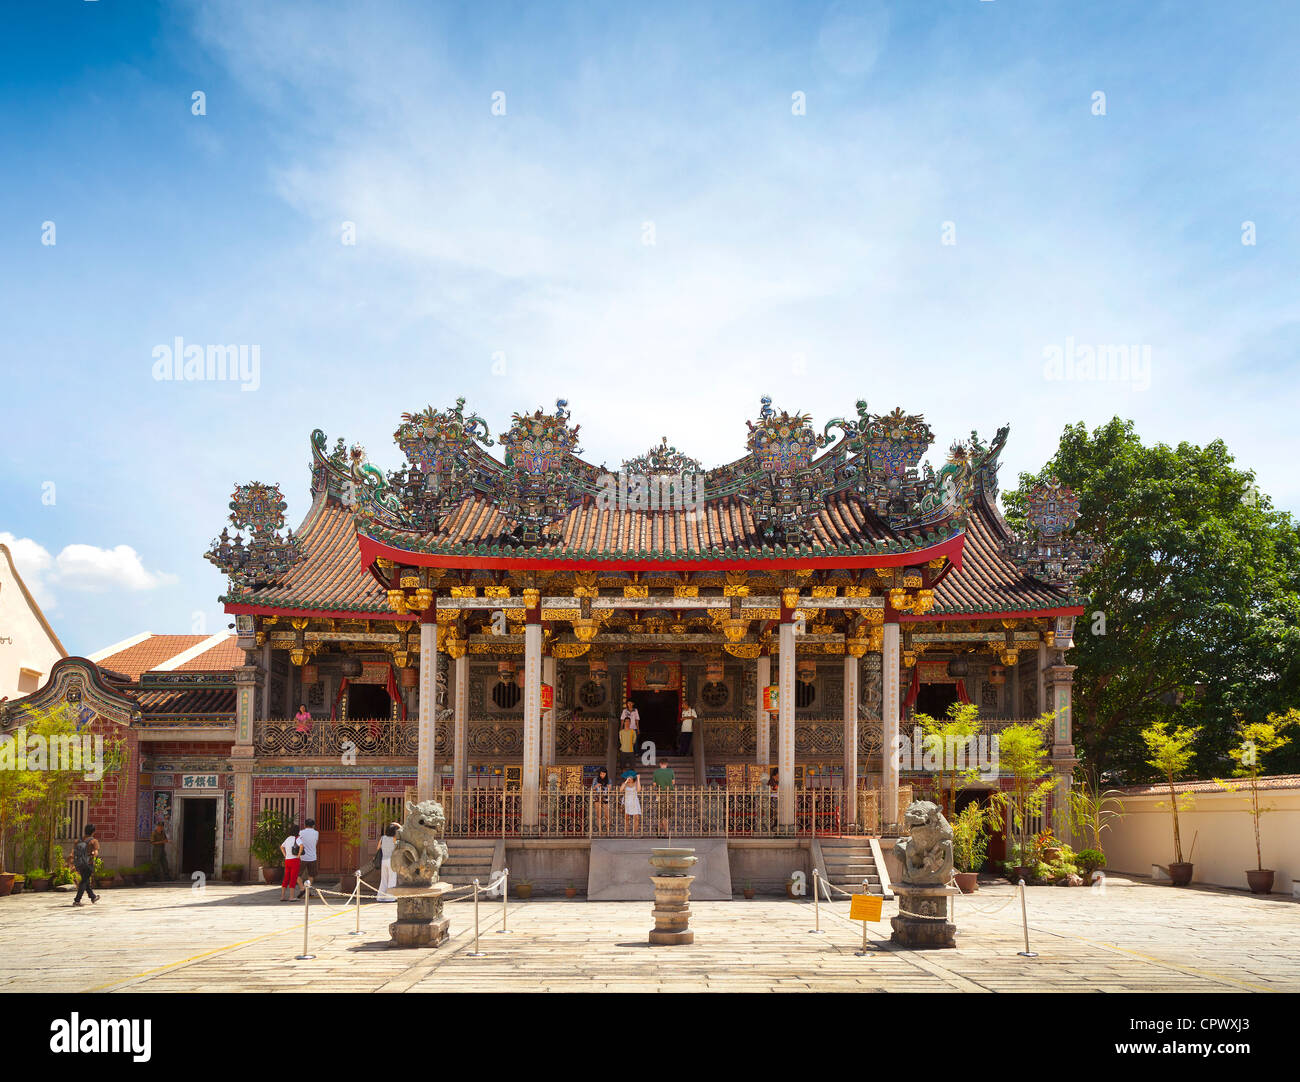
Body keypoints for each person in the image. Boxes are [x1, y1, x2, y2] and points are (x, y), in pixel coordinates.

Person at [72, 823, 99, 906]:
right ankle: (77, 900)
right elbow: (96, 852)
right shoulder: (93, 841)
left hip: (79, 863)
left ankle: (93, 897)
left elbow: (73, 853)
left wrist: (71, 863)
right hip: (88, 864)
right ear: (93, 832)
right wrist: (93, 853)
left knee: (86, 880)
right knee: (84, 881)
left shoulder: (78, 841)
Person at [296, 817, 320, 898]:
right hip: (312, 857)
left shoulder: (301, 832)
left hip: (302, 857)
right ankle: (307, 890)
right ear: (313, 825)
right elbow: (315, 843)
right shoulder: (316, 833)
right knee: (311, 875)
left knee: (297, 874)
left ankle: (302, 888)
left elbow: (298, 843)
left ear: (305, 825)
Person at [376, 823, 399, 901]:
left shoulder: (382, 838)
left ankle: (380, 897)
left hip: (384, 861)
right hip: (392, 861)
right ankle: (390, 898)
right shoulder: (394, 839)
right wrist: (398, 825)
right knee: (392, 878)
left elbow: (378, 848)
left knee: (384, 879)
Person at [652, 759, 675, 834]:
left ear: (660, 764)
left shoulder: (656, 772)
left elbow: (654, 784)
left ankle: (659, 829)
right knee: (667, 813)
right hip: (670, 793)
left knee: (661, 813)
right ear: (667, 764)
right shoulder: (671, 771)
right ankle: (666, 831)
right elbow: (673, 782)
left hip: (660, 794)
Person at [280, 825, 302, 901]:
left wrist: (285, 855)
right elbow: (301, 846)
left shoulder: (287, 839)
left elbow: (281, 847)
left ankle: (282, 896)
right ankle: (291, 897)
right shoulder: (297, 838)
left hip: (287, 860)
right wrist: (298, 855)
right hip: (294, 860)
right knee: (293, 878)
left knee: (286, 878)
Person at [617, 700, 639, 771]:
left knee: (634, 741)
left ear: (633, 703)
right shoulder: (625, 711)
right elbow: (622, 720)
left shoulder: (635, 710)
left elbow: (637, 720)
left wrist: (638, 728)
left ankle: (635, 753)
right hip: (626, 729)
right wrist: (621, 727)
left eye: (630, 703)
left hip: (633, 728)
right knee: (625, 742)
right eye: (628, 703)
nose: (629, 704)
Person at [590, 767, 612, 833]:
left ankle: (608, 829)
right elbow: (592, 789)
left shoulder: (609, 780)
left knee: (606, 814)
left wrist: (609, 788)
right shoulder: (595, 780)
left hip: (605, 797)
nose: (602, 775)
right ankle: (600, 830)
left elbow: (610, 791)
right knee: (598, 814)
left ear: (606, 774)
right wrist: (596, 786)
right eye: (601, 774)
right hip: (597, 797)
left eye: (604, 774)